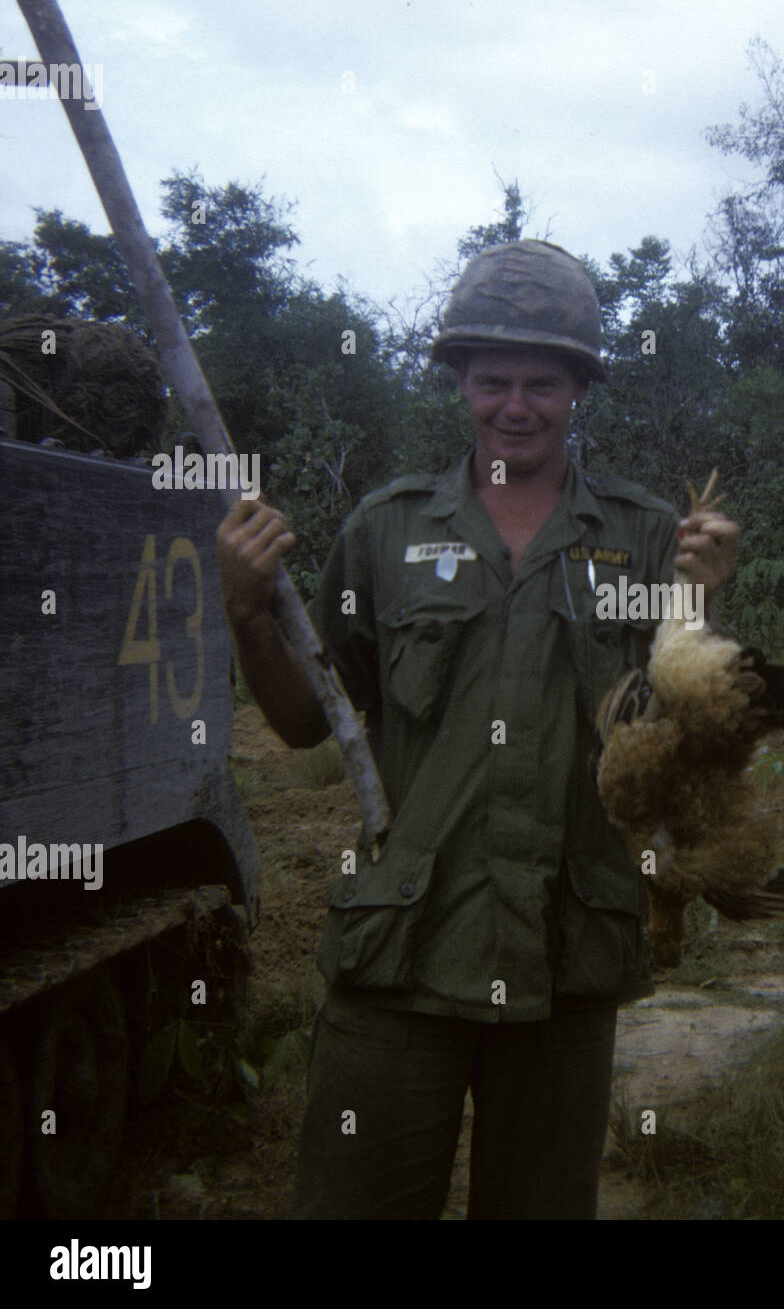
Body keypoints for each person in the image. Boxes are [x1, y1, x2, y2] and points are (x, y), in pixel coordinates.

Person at [216, 239, 738, 1219]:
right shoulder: (384, 530)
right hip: (401, 948)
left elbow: (676, 743)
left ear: (579, 387)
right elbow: (300, 723)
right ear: (458, 381)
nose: (514, 405)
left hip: (565, 950)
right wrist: (246, 613)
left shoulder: (643, 535)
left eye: (541, 381)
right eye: (491, 379)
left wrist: (696, 616)